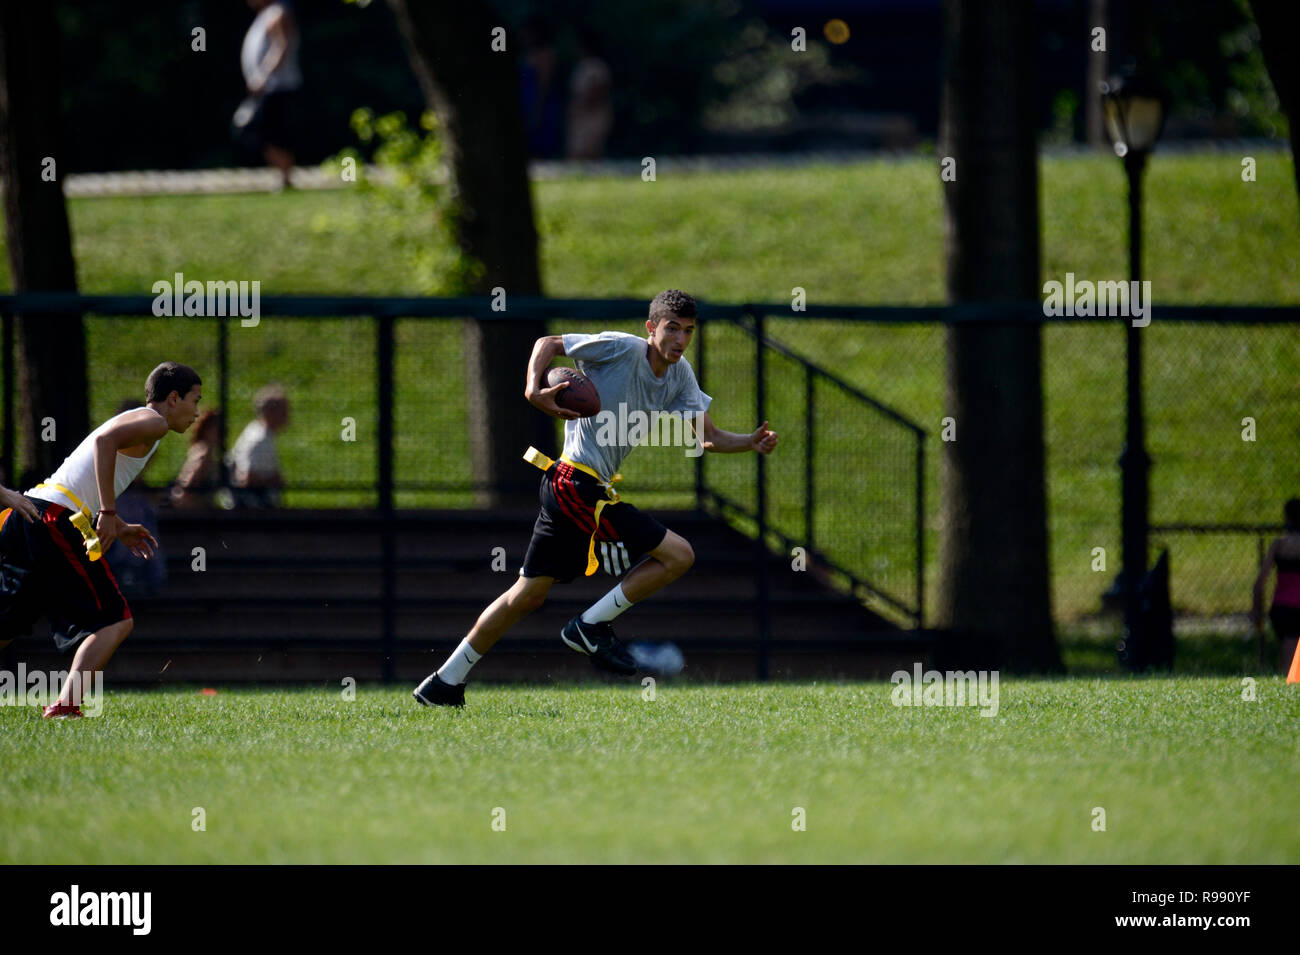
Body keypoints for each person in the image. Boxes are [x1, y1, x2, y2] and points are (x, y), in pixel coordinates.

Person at [414, 290, 779, 707]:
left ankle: (443, 682)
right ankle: (590, 625)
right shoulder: (622, 348)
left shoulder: (679, 375)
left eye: (689, 331)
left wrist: (750, 442)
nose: (680, 339)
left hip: (577, 490)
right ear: (651, 328)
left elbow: (708, 438)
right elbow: (547, 344)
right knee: (679, 555)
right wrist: (533, 389)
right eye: (672, 328)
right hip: (575, 485)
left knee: (527, 596)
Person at [0, 362, 201, 718]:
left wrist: (117, 523)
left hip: (30, 513)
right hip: (51, 517)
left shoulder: (143, 422)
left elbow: (82, 476)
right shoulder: (154, 423)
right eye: (194, 401)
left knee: (8, 623)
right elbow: (103, 444)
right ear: (174, 398)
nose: (197, 412)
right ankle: (66, 705)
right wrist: (108, 513)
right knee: (114, 621)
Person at [238, 0, 302, 190]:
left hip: (277, 87)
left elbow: (281, 45)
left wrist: (263, 76)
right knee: (265, 133)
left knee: (265, 133)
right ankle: (283, 177)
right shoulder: (267, 14)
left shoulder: (278, 12)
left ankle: (284, 176)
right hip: (269, 88)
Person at [1250, 498, 1300, 675]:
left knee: (1287, 657)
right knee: (1292, 661)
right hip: (1294, 608)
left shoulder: (1278, 545)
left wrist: (1256, 610)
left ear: (1287, 518)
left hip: (1282, 606)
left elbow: (1259, 583)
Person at [227, 386, 289, 508]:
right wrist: (274, 480)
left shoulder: (260, 432)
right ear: (270, 412)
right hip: (254, 507)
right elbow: (246, 477)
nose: (288, 416)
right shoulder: (259, 439)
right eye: (284, 411)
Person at [565, 27, 613, 160]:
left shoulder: (596, 67)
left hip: (592, 118)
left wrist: (581, 104)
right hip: (581, 119)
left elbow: (598, 92)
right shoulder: (583, 66)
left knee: (589, 154)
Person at [171, 409, 225, 509]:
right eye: (218, 429)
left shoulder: (201, 449)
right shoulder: (204, 451)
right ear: (207, 429)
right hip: (194, 510)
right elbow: (190, 482)